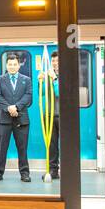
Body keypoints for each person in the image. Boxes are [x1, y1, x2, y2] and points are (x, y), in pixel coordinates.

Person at [0, 53, 33, 182]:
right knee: (2, 147)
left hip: (21, 119)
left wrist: (16, 107)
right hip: (4, 119)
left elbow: (28, 95)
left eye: (15, 64)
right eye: (10, 64)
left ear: (19, 65)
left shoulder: (26, 80)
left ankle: (24, 173)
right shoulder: (0, 79)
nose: (12, 67)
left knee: (22, 147)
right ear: (6, 65)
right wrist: (8, 108)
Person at [45, 51, 61, 181]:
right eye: (53, 61)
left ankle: (68, 169)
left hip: (63, 116)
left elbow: (59, 93)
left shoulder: (67, 76)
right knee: (52, 145)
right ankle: (53, 170)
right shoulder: (48, 76)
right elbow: (43, 93)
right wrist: (41, 82)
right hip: (50, 115)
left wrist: (54, 80)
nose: (55, 64)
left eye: (57, 61)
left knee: (66, 144)